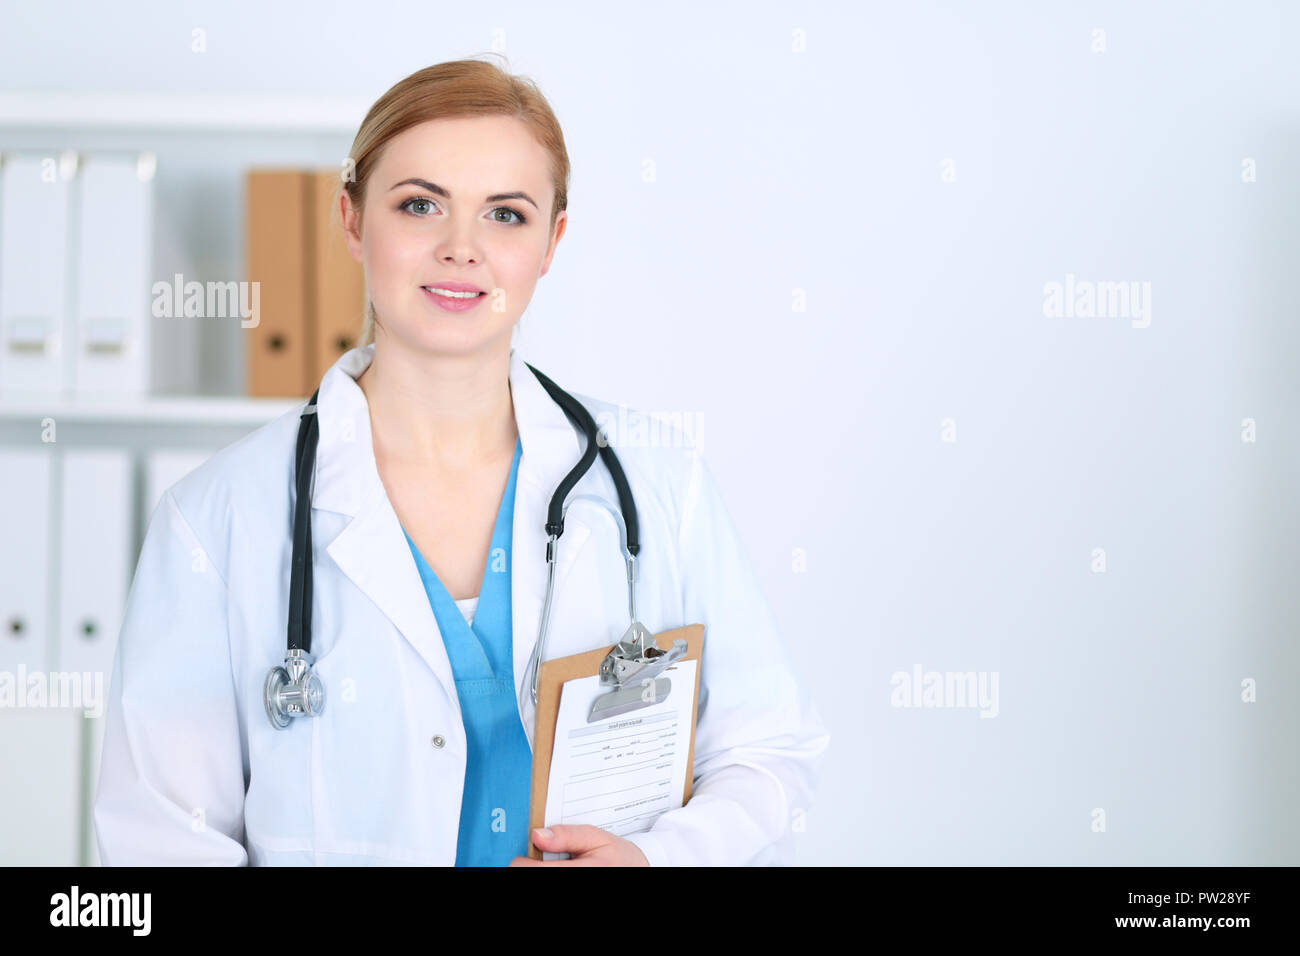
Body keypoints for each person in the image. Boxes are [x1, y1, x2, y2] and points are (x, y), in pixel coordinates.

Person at [93, 56, 830, 866]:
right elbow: (161, 841)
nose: (461, 249)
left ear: (550, 244)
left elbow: (767, 753)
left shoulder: (657, 484)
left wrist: (659, 860)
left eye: (505, 216)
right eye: (419, 205)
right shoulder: (219, 518)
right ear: (350, 219)